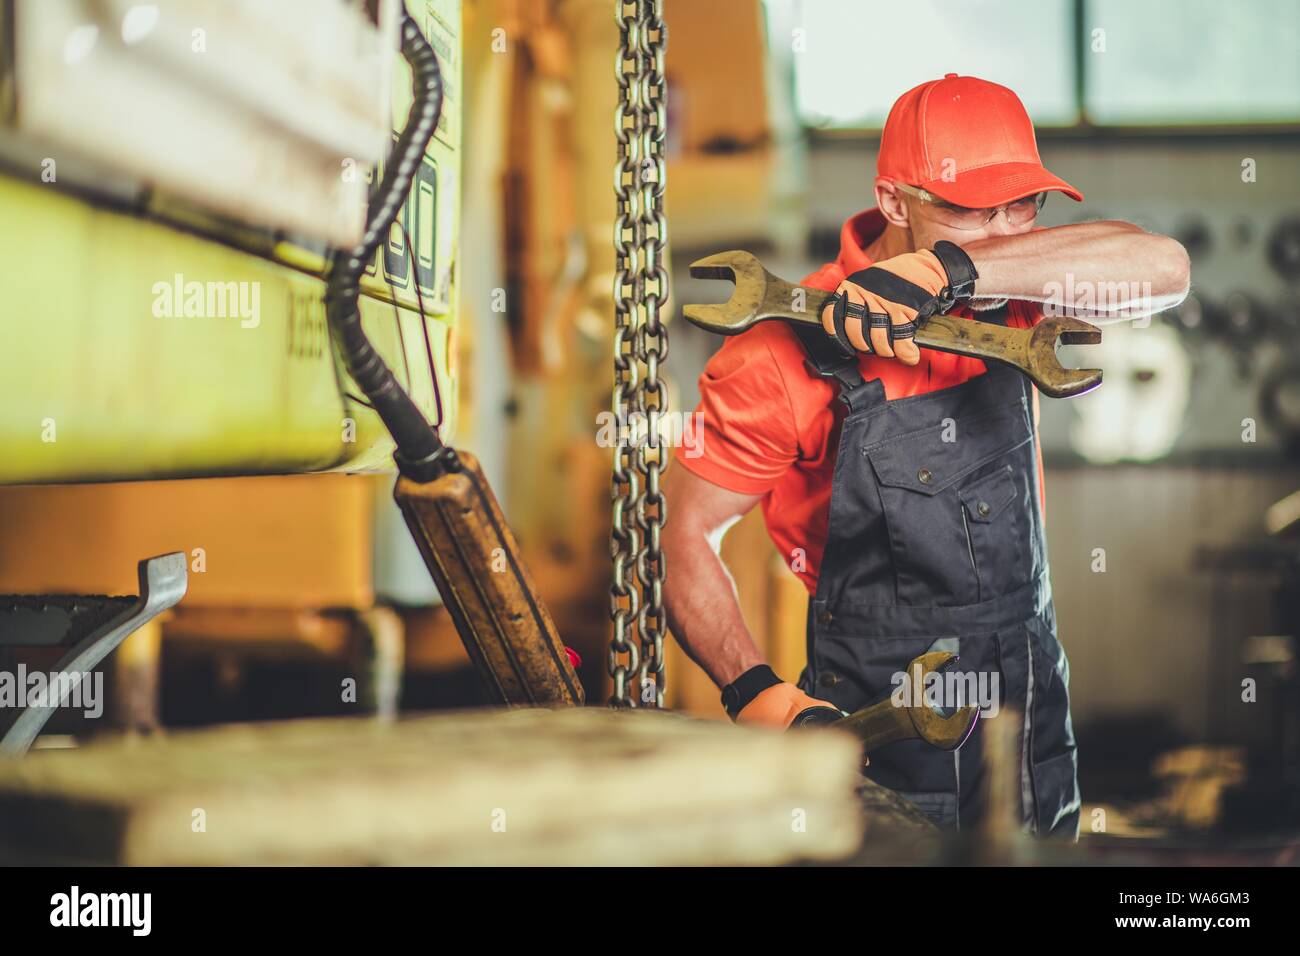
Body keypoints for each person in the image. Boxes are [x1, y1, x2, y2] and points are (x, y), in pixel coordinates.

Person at [663, 74, 1190, 836]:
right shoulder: (779, 355)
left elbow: (1164, 267)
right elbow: (683, 534)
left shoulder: (1007, 291)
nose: (1007, 229)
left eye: (1024, 204)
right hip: (882, 734)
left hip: (1035, 719)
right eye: (972, 211)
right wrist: (752, 689)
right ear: (892, 200)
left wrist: (960, 268)